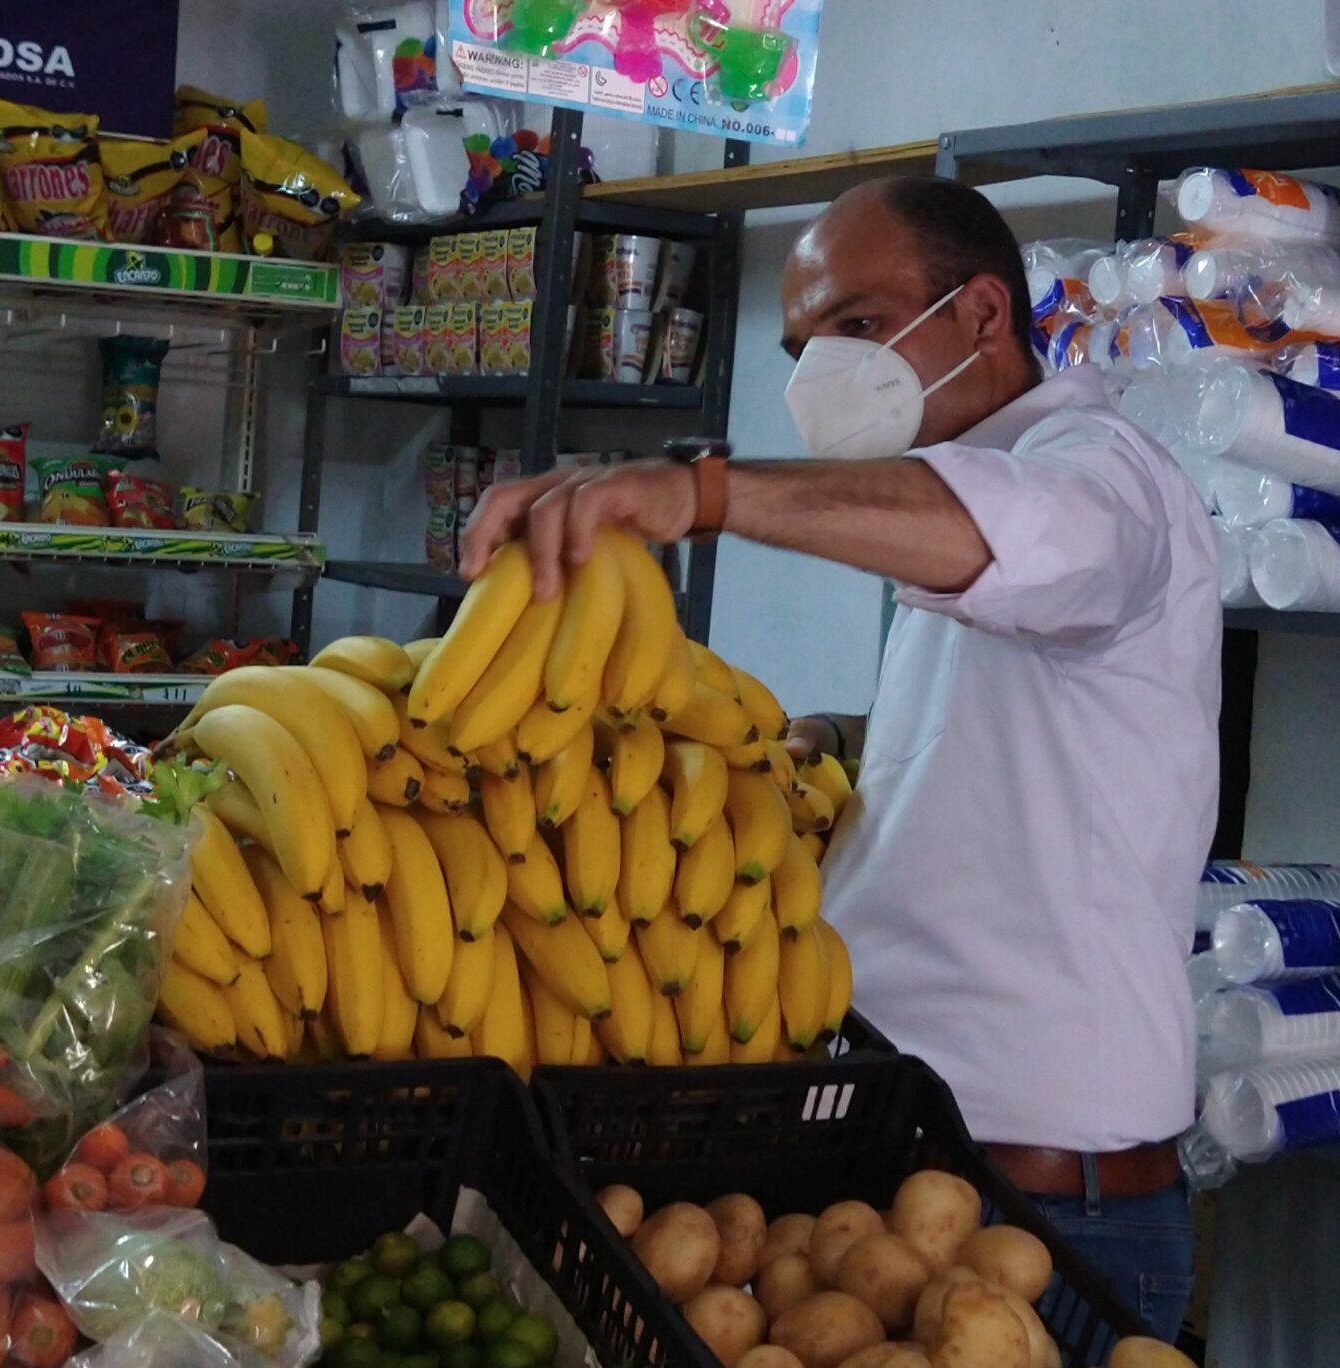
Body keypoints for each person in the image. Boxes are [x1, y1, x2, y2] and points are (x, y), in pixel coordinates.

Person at [458, 176, 1220, 1340]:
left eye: (858, 328)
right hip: (885, 1173)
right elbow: (1027, 732)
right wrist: (831, 747)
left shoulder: (1103, 477)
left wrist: (701, 492)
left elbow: (1014, 532)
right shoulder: (958, 490)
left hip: (1046, 1212)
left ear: (978, 315)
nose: (823, 376)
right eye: (801, 346)